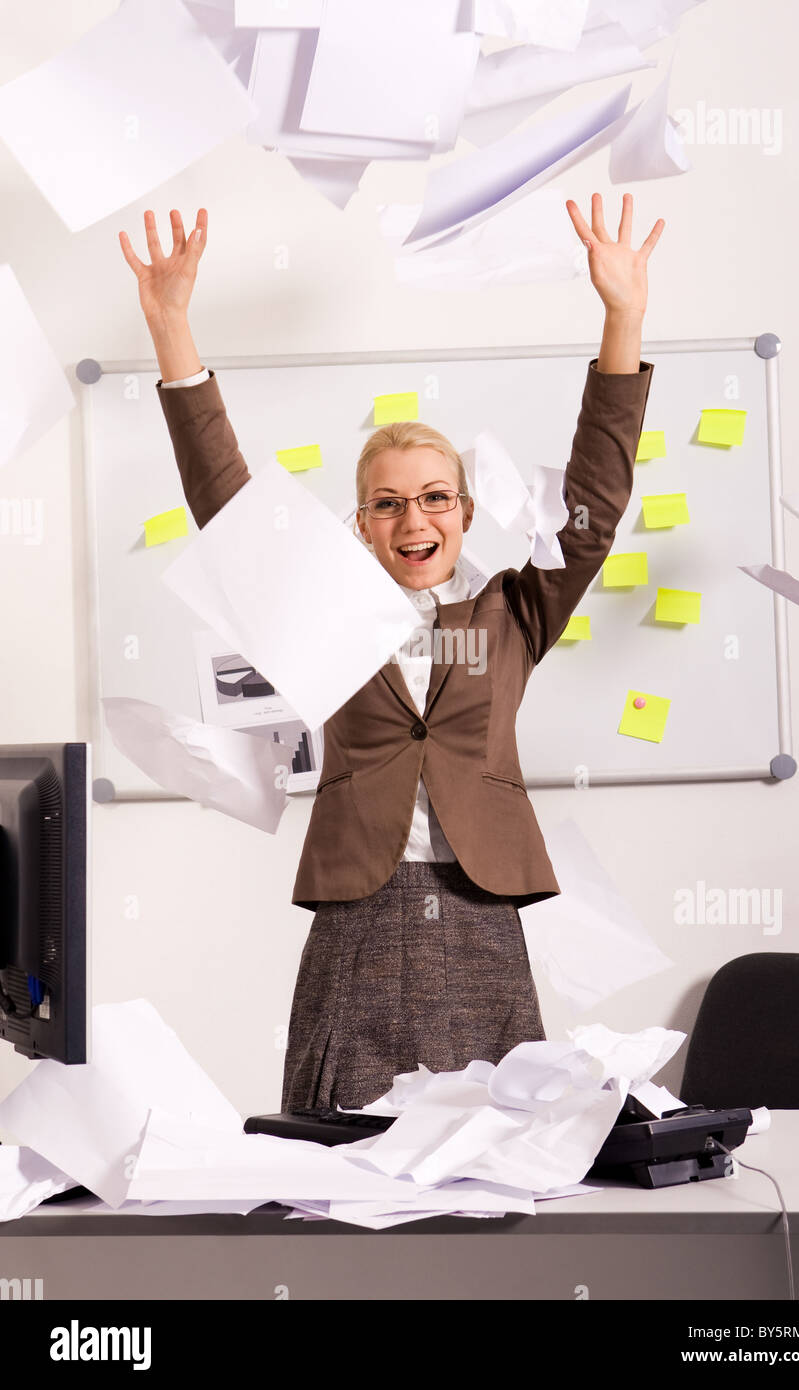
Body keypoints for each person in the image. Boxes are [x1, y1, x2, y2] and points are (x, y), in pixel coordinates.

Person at [119, 193, 663, 1111]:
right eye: (388, 503)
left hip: (484, 911)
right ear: (363, 524)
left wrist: (624, 316)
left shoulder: (513, 610)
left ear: (465, 512)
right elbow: (225, 498)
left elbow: (596, 499)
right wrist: (172, 324)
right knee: (342, 1150)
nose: (415, 518)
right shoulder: (320, 610)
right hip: (360, 916)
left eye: (436, 498)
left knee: (493, 1144)